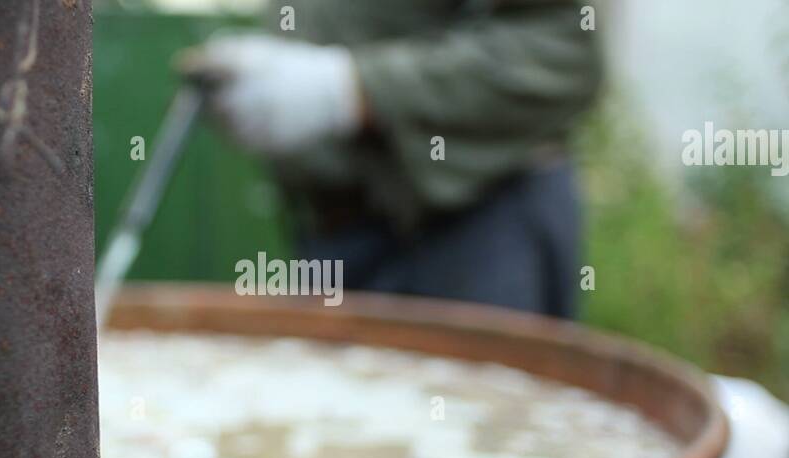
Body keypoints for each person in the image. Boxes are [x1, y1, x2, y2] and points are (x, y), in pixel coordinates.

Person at [182, 0, 603, 318]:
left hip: (475, 229)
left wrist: (351, 88)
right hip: (335, 240)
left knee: (476, 425)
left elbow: (559, 53)